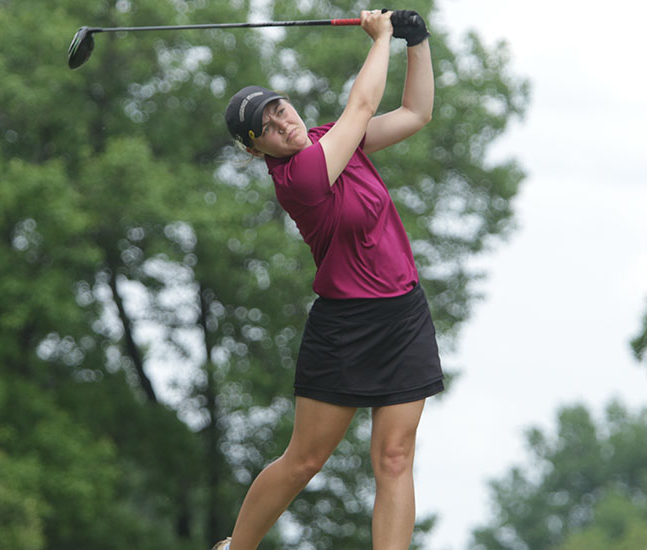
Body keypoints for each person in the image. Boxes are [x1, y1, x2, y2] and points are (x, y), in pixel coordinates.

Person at [213, 8, 439, 550]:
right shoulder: (300, 177)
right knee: (306, 460)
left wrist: (417, 42)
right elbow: (362, 105)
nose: (282, 123)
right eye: (265, 127)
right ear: (253, 149)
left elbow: (415, 112)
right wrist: (380, 37)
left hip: (404, 314)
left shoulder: (330, 139)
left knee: (394, 457)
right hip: (345, 326)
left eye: (280, 108)